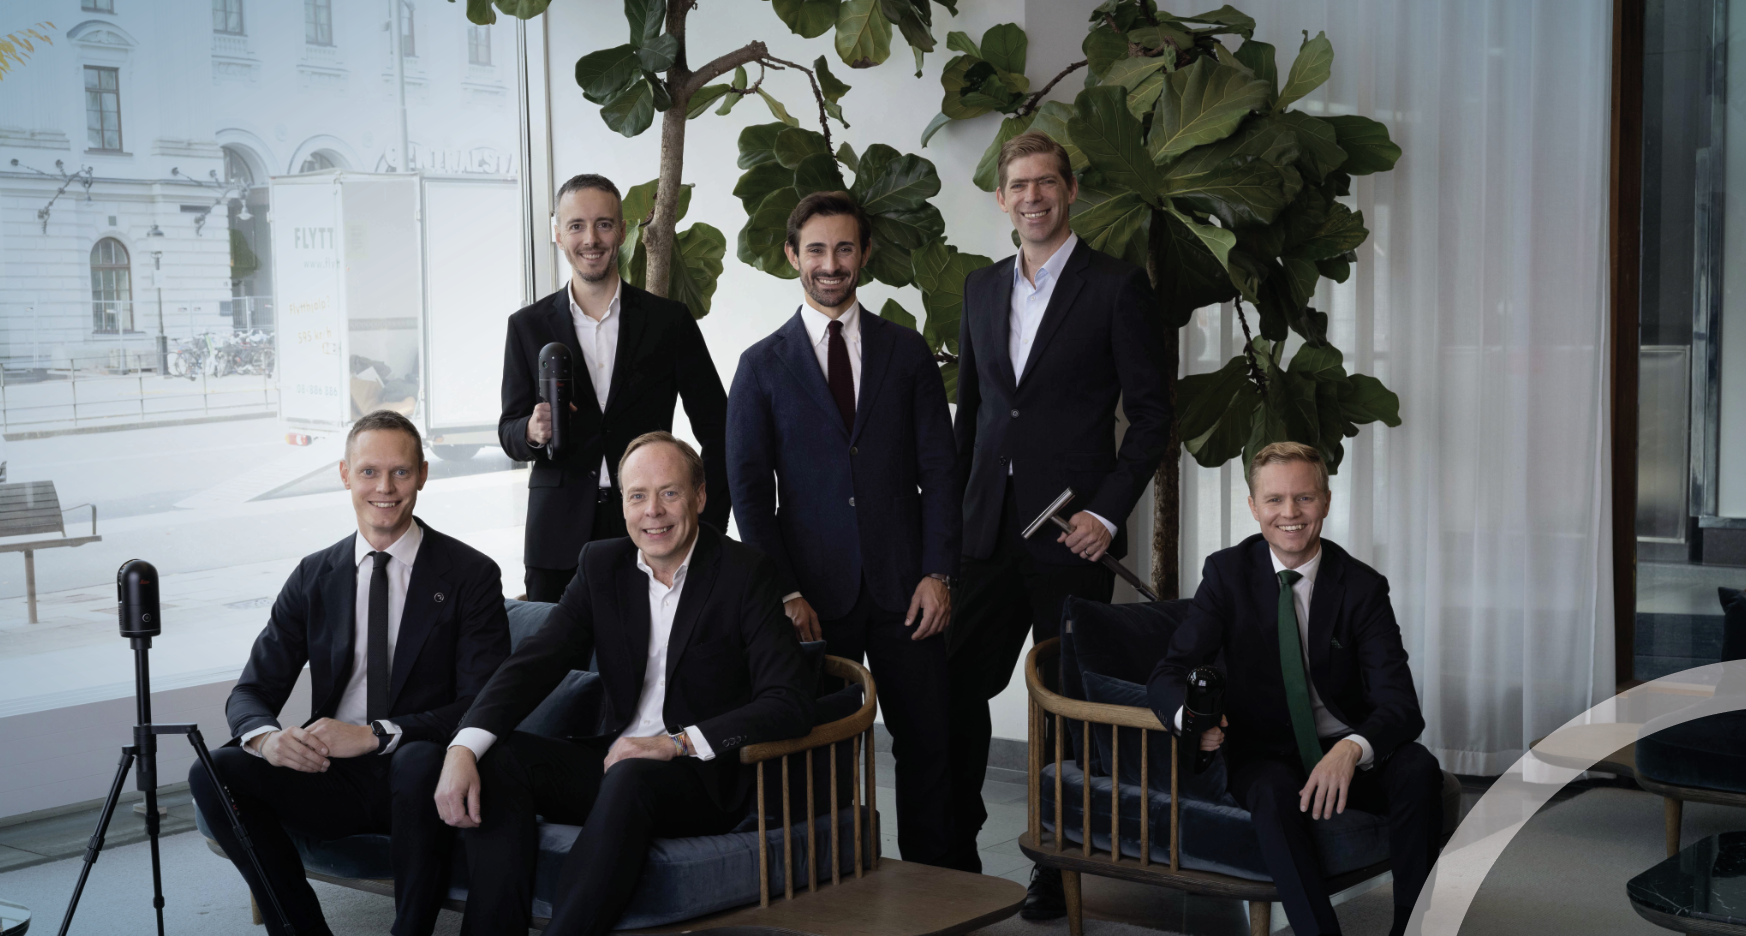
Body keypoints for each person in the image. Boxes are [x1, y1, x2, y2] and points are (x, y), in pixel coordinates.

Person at [435, 432, 814, 936]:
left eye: (670, 493)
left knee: (632, 775)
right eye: (638, 496)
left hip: (699, 778)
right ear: (623, 504)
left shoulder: (746, 573)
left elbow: (788, 702)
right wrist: (464, 745)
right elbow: (535, 663)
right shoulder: (601, 565)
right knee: (499, 759)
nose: (652, 511)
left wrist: (674, 743)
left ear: (700, 497)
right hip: (615, 762)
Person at [944, 131, 1173, 912]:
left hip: (1070, 536)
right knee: (955, 686)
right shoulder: (980, 288)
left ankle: (1057, 861)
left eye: (1046, 182)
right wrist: (950, 527)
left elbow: (1151, 417)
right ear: (1001, 197)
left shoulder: (1116, 286)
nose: (1033, 196)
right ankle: (954, 852)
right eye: (1019, 184)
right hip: (985, 532)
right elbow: (973, 417)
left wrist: (1106, 512)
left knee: (1065, 705)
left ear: (1071, 191)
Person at [188, 410, 512, 936]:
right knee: (214, 769)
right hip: (331, 774)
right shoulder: (315, 574)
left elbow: (482, 702)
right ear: (345, 475)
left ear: (423, 475)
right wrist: (268, 741)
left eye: (400, 472)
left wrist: (374, 735)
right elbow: (251, 691)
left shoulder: (470, 574)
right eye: (368, 472)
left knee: (417, 761)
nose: (385, 488)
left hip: (422, 773)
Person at [726, 191, 959, 866]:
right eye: (817, 250)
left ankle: (940, 887)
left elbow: (941, 472)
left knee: (931, 744)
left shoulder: (906, 352)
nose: (831, 264)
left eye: (845, 248)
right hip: (812, 601)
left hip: (908, 590)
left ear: (865, 254)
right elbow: (749, 493)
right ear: (792, 256)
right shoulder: (760, 365)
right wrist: (784, 592)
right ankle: (832, 890)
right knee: (820, 754)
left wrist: (938, 572)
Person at [1147, 442, 1443, 936]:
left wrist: (1351, 749)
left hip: (1343, 747)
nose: (1290, 513)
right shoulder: (1226, 574)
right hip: (1264, 752)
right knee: (1270, 791)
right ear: (1253, 506)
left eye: (1304, 498)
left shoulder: (1362, 587)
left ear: (1325, 502)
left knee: (1418, 767)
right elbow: (1169, 672)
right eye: (1275, 499)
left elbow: (1401, 705)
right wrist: (1194, 720)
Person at [499, 173, 731, 602]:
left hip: (651, 530)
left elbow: (721, 431)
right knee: (559, 646)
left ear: (623, 231)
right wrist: (531, 431)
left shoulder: (669, 321)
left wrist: (708, 522)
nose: (591, 239)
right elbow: (508, 431)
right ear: (558, 234)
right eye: (576, 226)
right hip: (557, 537)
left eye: (603, 224)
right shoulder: (527, 326)